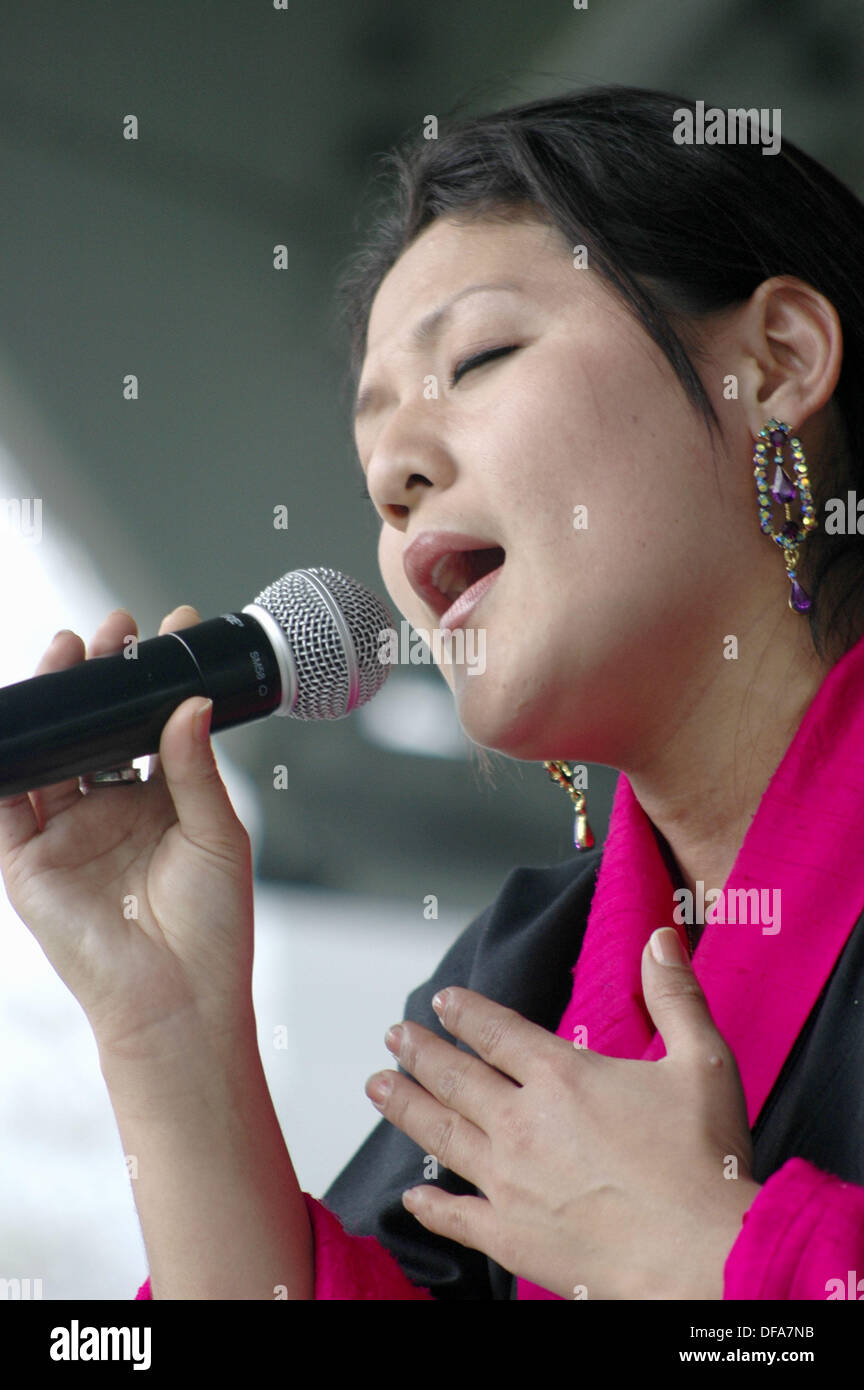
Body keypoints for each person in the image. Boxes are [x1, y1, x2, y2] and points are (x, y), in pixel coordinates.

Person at [2, 82, 864, 1301]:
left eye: (481, 357)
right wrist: (171, 1037)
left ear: (774, 364)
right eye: (371, 463)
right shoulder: (520, 975)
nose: (396, 475)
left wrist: (714, 1261)